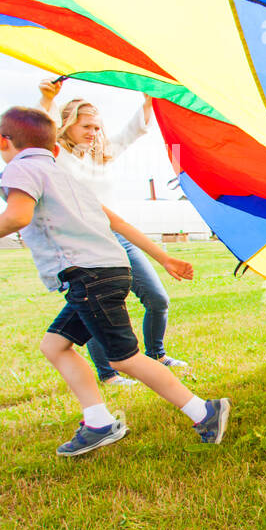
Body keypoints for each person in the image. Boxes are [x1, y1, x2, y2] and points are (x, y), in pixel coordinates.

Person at [0, 107, 229, 456]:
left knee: (124, 359)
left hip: (88, 276)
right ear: (55, 149)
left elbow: (18, 215)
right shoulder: (65, 177)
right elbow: (118, 222)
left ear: (4, 142)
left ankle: (204, 411)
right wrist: (165, 257)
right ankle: (98, 422)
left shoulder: (19, 167)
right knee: (54, 346)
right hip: (107, 272)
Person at [38, 78, 189, 386]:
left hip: (117, 238)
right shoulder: (57, 157)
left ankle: (156, 354)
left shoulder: (102, 154)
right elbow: (41, 135)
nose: (93, 133)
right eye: (86, 127)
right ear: (66, 125)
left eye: (96, 127)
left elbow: (132, 132)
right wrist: (48, 99)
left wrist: (147, 101)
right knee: (94, 312)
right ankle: (108, 374)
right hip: (83, 246)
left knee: (157, 298)